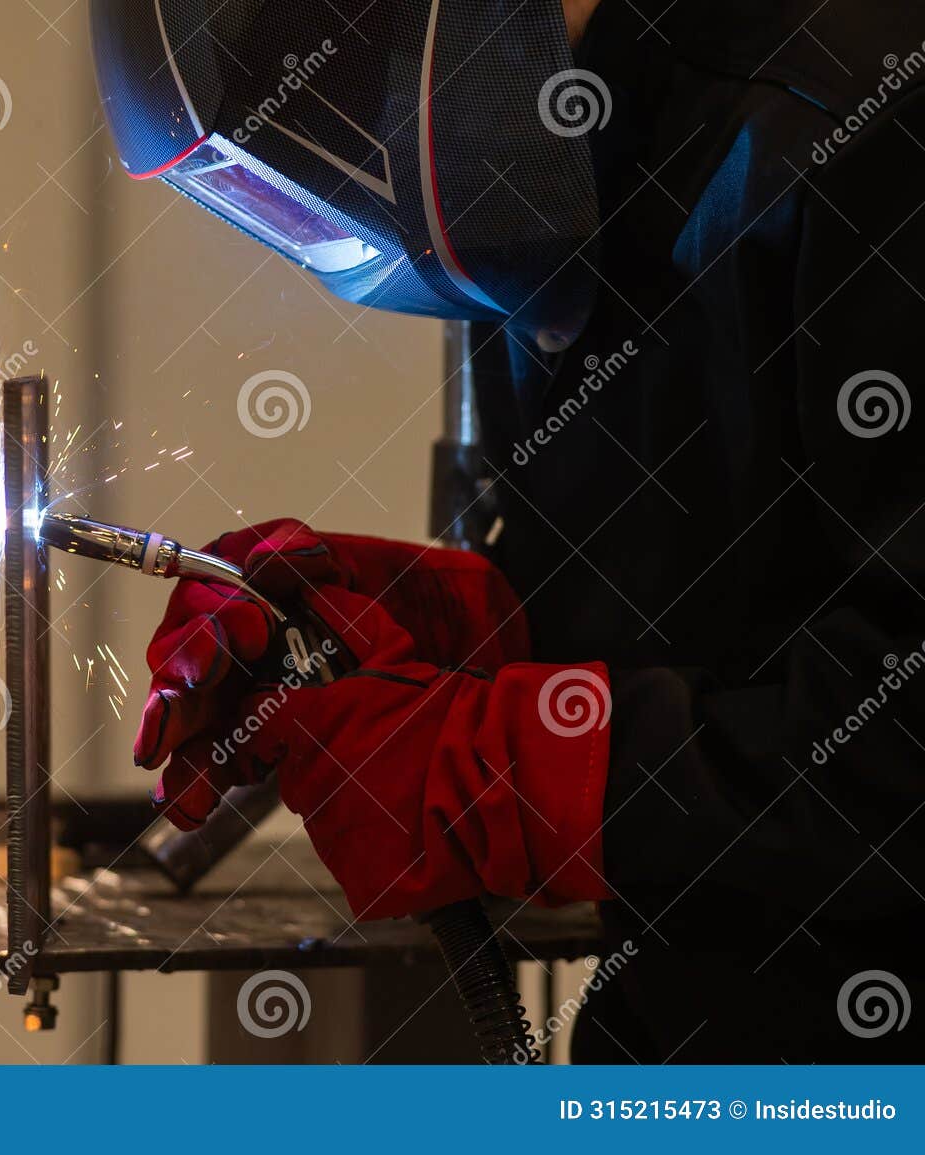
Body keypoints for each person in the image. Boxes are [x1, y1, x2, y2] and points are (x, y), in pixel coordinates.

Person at [93, 0, 925, 1060]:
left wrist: (523, 767)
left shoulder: (860, 110)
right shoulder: (532, 181)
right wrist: (449, 636)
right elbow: (710, 611)